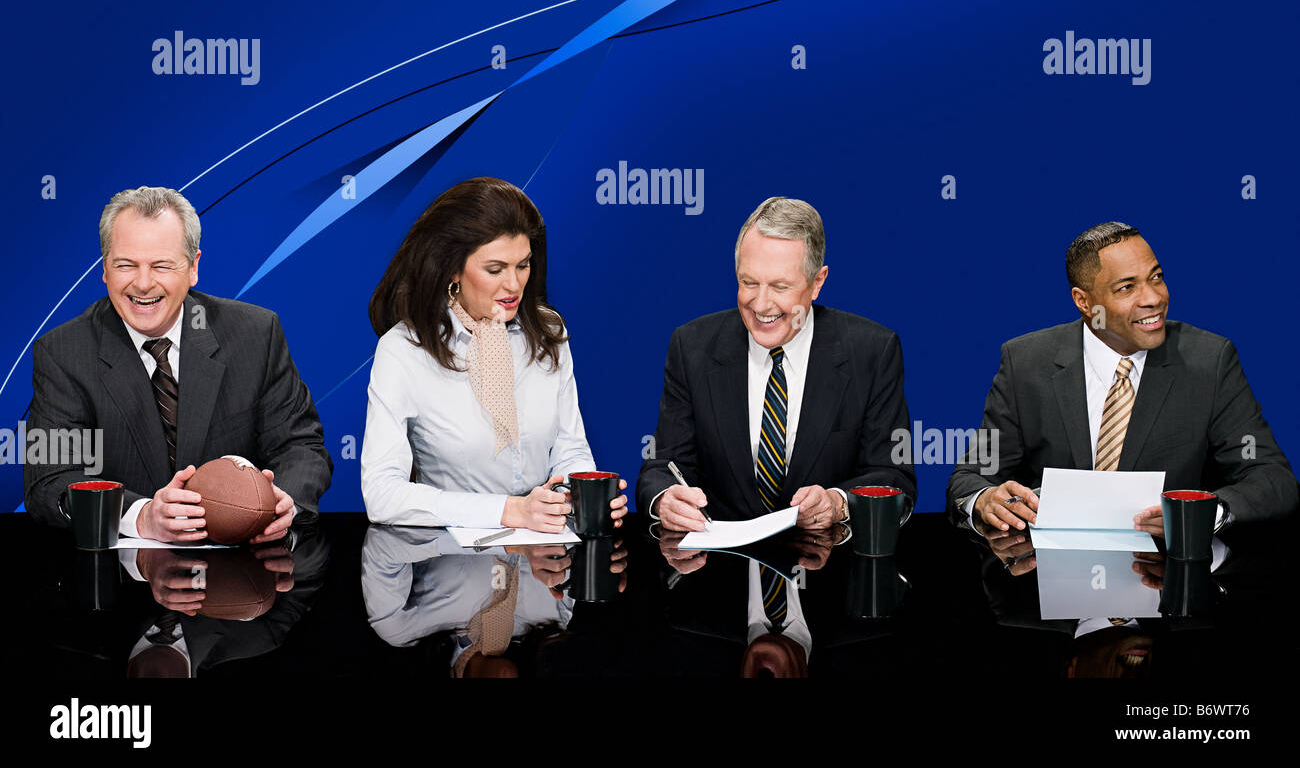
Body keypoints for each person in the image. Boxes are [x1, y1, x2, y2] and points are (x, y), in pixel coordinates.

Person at [947, 221, 1298, 534]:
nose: (1154, 298)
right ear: (1084, 302)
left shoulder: (1210, 361)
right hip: (1050, 586)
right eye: (1127, 288)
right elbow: (969, 478)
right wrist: (984, 500)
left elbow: (1272, 477)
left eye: (1156, 277)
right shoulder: (1025, 363)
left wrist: (1205, 511)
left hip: (1167, 584)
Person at [24, 186, 332, 542]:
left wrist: (281, 504)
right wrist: (140, 517)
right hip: (121, 583)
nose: (142, 283)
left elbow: (301, 448)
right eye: (125, 265)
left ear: (193, 267)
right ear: (105, 269)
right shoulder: (63, 353)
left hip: (242, 574)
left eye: (161, 265)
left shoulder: (256, 334)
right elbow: (50, 483)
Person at [361, 177, 628, 530]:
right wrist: (509, 510)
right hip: (450, 568)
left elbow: (571, 448)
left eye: (523, 265)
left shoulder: (549, 332)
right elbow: (382, 495)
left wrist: (571, 493)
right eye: (495, 269)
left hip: (543, 566)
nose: (514, 285)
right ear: (451, 268)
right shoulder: (404, 350)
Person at [637, 197, 915, 532]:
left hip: (827, 571)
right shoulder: (691, 346)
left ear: (817, 282)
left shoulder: (872, 352)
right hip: (720, 571)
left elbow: (894, 477)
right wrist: (666, 498)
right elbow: (662, 466)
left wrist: (838, 503)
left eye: (780, 286)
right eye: (749, 282)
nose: (761, 303)